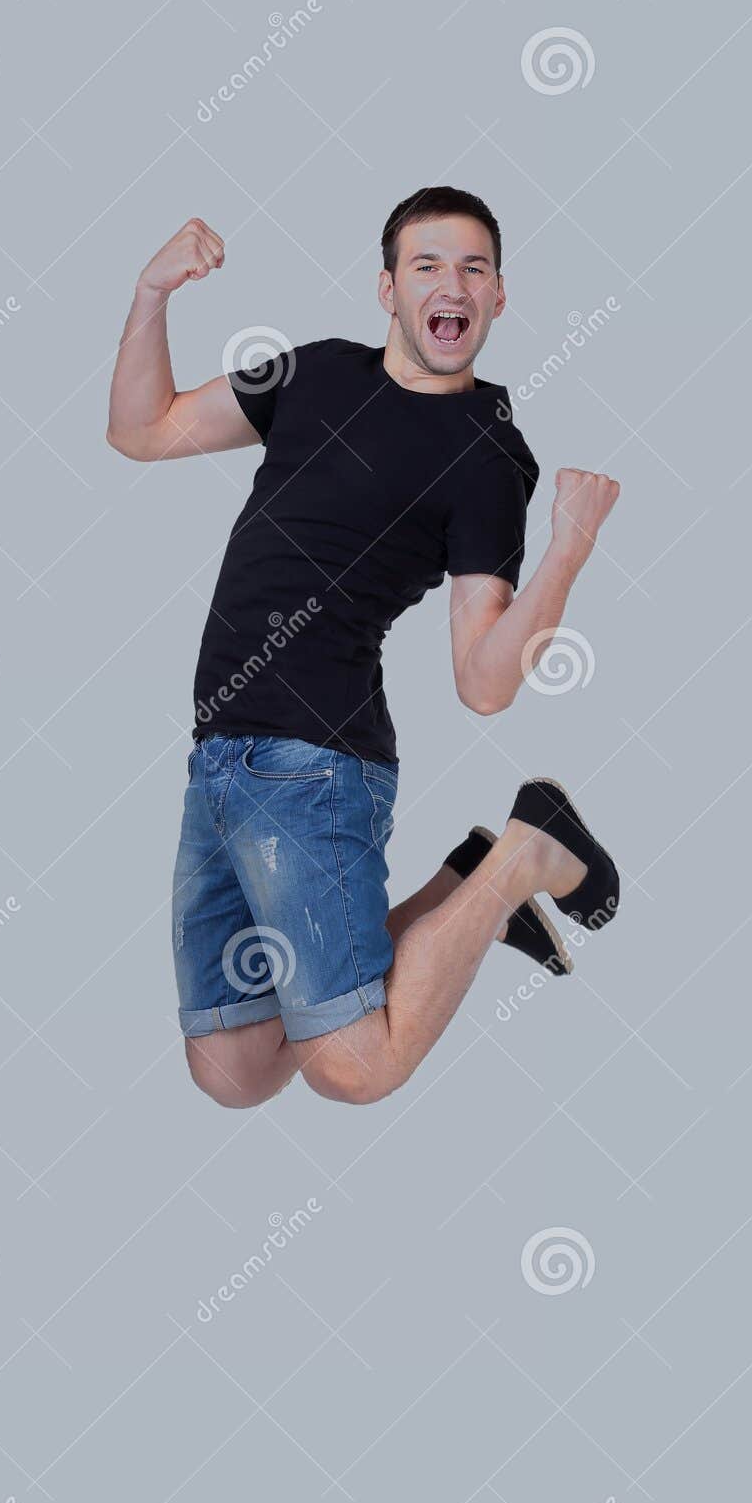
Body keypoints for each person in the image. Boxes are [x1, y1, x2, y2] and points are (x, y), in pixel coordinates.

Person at [107, 187, 621, 1107]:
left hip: (318, 762)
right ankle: (462, 884)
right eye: (426, 264)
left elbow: (483, 682)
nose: (450, 283)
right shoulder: (314, 371)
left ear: (498, 297)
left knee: (355, 1067)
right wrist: (152, 295)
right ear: (387, 288)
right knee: (235, 1070)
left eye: (473, 267)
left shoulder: (486, 456)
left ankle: (522, 854)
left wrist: (568, 550)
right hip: (218, 757)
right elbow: (140, 430)